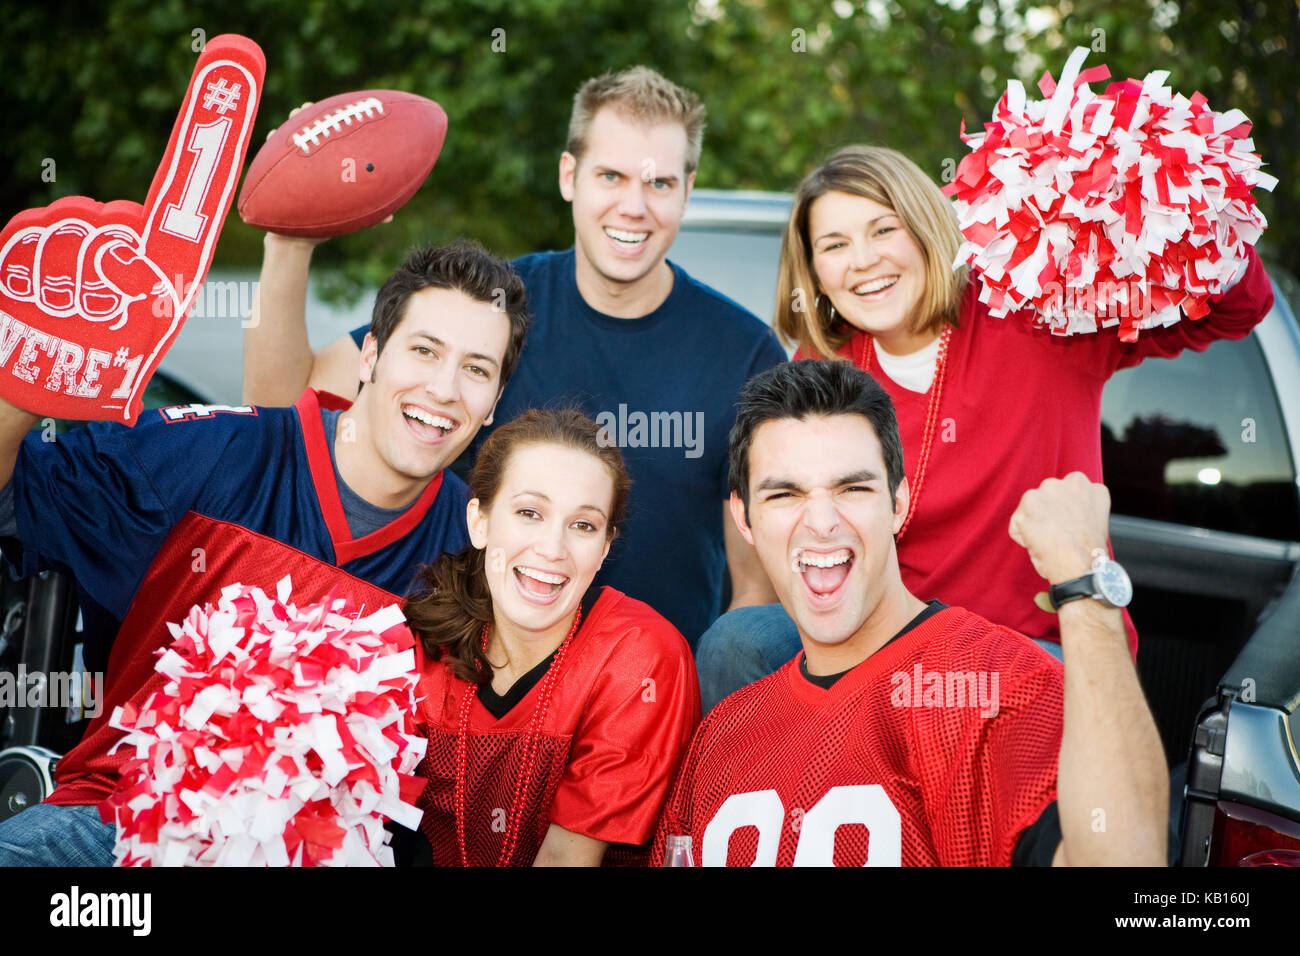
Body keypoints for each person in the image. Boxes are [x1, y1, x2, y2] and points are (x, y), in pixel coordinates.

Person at [0, 240, 528, 865]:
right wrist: (22, 381)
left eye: (476, 369)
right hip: (121, 821)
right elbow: (19, 496)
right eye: (424, 351)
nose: (444, 388)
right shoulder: (218, 451)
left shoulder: (480, 554)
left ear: (494, 401)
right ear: (371, 353)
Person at [695, 144, 1273, 710]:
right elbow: (770, 503)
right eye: (835, 245)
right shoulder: (820, 371)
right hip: (883, 645)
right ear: (815, 273)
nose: (863, 260)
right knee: (737, 643)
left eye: (883, 230)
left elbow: (1239, 307)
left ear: (925, 229)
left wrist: (1167, 200)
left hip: (1035, 648)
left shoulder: (1036, 315)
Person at [241, 67, 788, 647]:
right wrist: (288, 239)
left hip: (650, 701)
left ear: (686, 190)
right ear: (569, 175)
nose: (634, 206)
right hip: (469, 682)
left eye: (659, 184)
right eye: (611, 176)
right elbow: (279, 398)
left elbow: (754, 589)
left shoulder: (746, 352)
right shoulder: (494, 309)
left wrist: (702, 714)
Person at [656, 360, 1168, 866]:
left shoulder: (999, 687)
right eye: (785, 494)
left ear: (898, 502)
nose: (821, 523)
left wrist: (1086, 588)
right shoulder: (723, 732)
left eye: (852, 488)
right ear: (744, 518)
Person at [403, 408, 699, 866]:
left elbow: (565, 859)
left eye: (583, 525)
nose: (552, 549)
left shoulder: (640, 656)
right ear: (479, 521)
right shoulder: (415, 645)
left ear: (604, 548)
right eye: (529, 512)